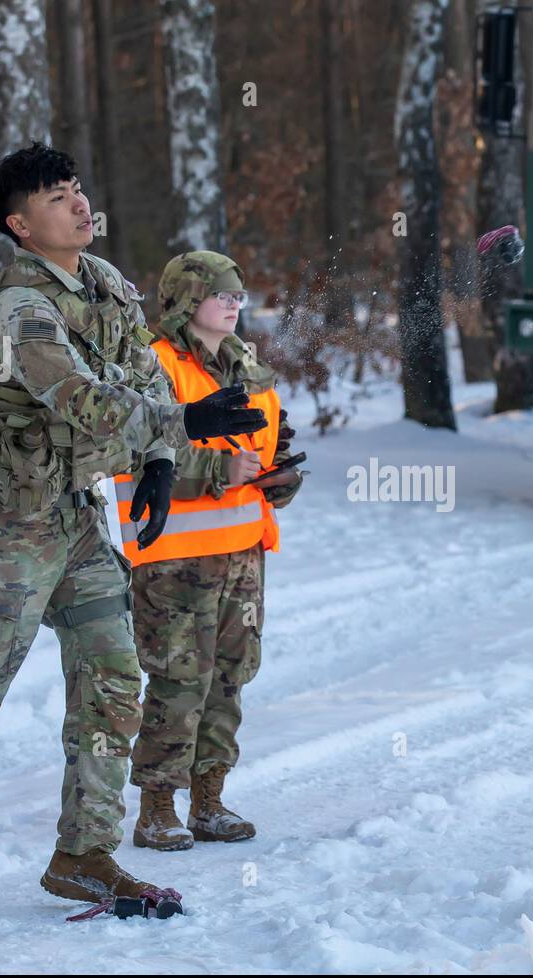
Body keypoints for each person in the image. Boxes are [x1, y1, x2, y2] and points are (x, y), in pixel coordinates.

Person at [0, 144, 265, 919]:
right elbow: (82, 398)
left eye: (79, 188)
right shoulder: (19, 311)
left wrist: (161, 456)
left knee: (113, 678)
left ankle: (84, 853)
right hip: (6, 530)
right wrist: (184, 423)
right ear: (20, 224)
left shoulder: (105, 284)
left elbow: (144, 377)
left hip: (75, 517)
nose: (79, 203)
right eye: (58, 197)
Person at [116, 251, 302, 851]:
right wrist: (218, 468)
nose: (233, 302)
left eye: (238, 293)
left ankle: (209, 801)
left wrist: (281, 478)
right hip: (175, 557)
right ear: (185, 298)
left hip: (244, 553)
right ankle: (156, 809)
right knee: (177, 679)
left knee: (229, 678)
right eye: (219, 292)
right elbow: (134, 451)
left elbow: (272, 444)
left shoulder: (248, 367)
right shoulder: (152, 365)